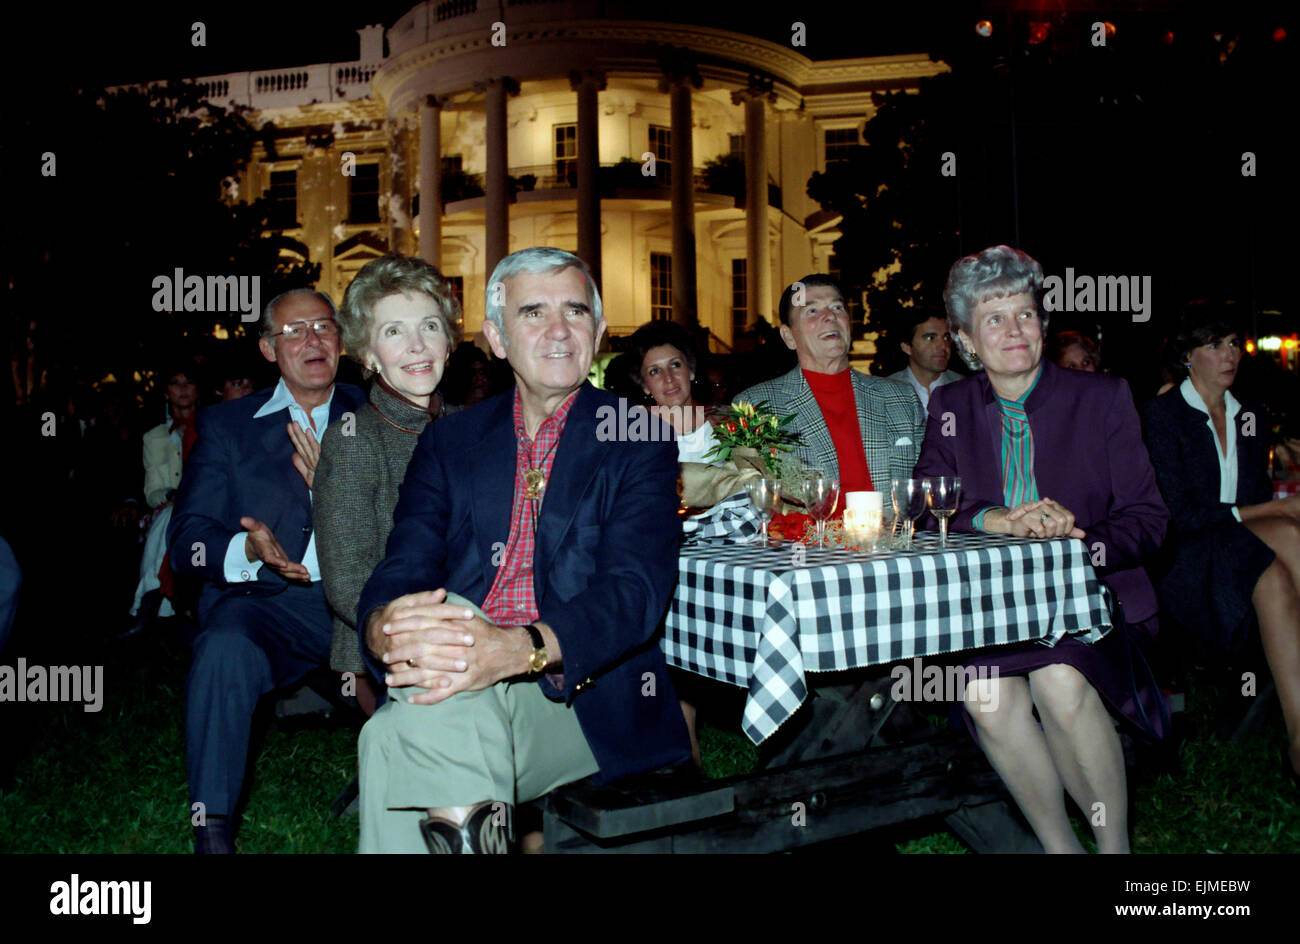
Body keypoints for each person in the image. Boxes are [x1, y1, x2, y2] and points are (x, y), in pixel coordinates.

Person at [355, 247, 690, 853]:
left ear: (599, 330)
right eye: (533, 311)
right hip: (459, 680)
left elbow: (633, 595)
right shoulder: (451, 441)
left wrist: (515, 650)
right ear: (496, 338)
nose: (559, 330)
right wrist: (382, 629)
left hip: (579, 700)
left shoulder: (636, 435)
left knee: (398, 730)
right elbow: (403, 564)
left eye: (576, 310)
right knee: (430, 700)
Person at [915, 245, 1169, 853]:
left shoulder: (1103, 398)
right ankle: (1061, 848)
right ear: (967, 339)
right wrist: (992, 518)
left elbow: (1151, 520)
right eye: (994, 318)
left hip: (1097, 602)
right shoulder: (950, 407)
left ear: (1043, 323)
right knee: (983, 694)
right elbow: (925, 506)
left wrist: (1081, 540)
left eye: (1024, 313)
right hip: (995, 612)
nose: (1014, 329)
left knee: (1059, 677)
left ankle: (1114, 849)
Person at [167, 288, 366, 853]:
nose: (312, 340)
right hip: (269, 605)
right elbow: (186, 543)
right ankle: (213, 830)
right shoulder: (229, 427)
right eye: (294, 330)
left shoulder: (380, 415)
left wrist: (336, 490)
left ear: (342, 339)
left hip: (365, 598)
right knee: (223, 647)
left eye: (323, 327)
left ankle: (416, 786)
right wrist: (248, 552)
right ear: (266, 348)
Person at [1141, 310, 1300, 780]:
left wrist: (1269, 512)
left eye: (1233, 343)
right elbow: (1179, 516)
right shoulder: (1161, 417)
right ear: (1187, 357)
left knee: (1288, 540)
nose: (1229, 355)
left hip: (1240, 540)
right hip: (1185, 557)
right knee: (1275, 556)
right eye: (1214, 345)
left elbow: (1254, 499)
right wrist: (1270, 511)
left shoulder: (1250, 416)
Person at [314, 255, 461, 720]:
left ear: (449, 342)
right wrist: (420, 638)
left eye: (430, 326)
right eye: (394, 331)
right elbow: (347, 580)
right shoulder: (355, 437)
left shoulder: (472, 429)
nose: (417, 346)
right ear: (369, 355)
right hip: (384, 651)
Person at [736, 274, 925, 491]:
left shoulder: (901, 398)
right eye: (812, 311)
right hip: (806, 525)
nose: (829, 316)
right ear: (788, 336)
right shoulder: (756, 407)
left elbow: (926, 485)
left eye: (837, 307)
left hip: (890, 525)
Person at [126, 364, 199, 633]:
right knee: (169, 516)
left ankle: (147, 602)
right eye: (175, 383)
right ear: (166, 392)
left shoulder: (211, 426)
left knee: (172, 518)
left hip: (204, 503)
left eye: (188, 382)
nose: (182, 389)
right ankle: (161, 603)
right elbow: (151, 490)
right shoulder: (153, 437)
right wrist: (170, 494)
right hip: (168, 507)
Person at [887, 310, 963, 411]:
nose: (943, 346)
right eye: (931, 338)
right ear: (907, 347)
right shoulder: (887, 391)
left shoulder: (966, 388)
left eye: (946, 338)